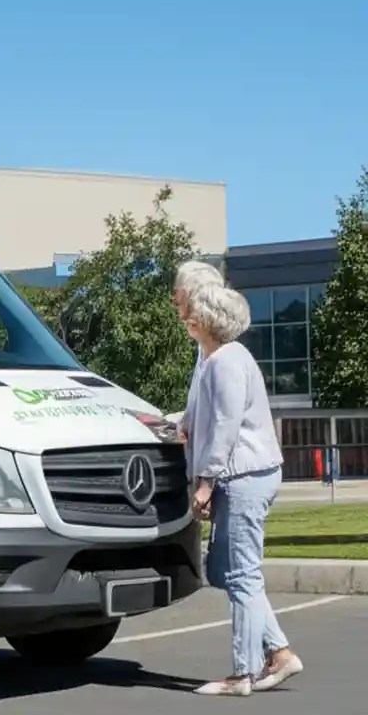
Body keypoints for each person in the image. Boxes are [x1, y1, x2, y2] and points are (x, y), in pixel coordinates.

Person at [182, 283, 303, 696]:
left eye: (194, 310)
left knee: (243, 575)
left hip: (243, 478)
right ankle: (280, 653)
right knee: (224, 571)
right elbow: (212, 419)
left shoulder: (225, 362)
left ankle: (242, 674)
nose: (187, 316)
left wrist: (205, 482)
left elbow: (225, 427)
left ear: (212, 319)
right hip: (248, 476)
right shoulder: (223, 359)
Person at [167, 260, 225, 437]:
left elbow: (221, 420)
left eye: (180, 301)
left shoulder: (223, 352)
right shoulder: (205, 348)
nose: (181, 315)